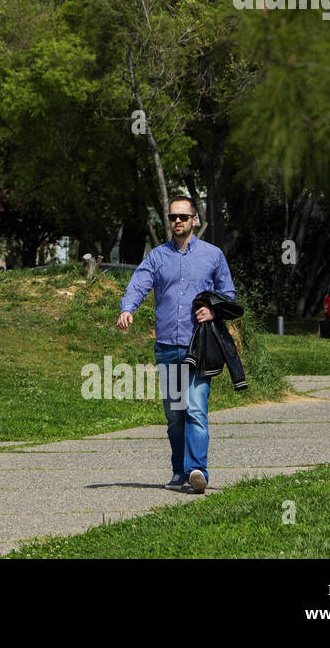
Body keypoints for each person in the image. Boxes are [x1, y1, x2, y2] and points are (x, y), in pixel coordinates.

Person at [116, 196, 236, 494]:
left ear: (195, 219)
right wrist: (127, 307)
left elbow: (228, 294)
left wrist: (213, 310)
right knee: (174, 414)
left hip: (202, 346)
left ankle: (198, 470)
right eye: (173, 217)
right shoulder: (157, 257)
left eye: (183, 216)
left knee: (195, 407)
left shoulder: (213, 255)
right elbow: (139, 283)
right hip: (167, 346)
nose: (178, 221)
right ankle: (179, 472)